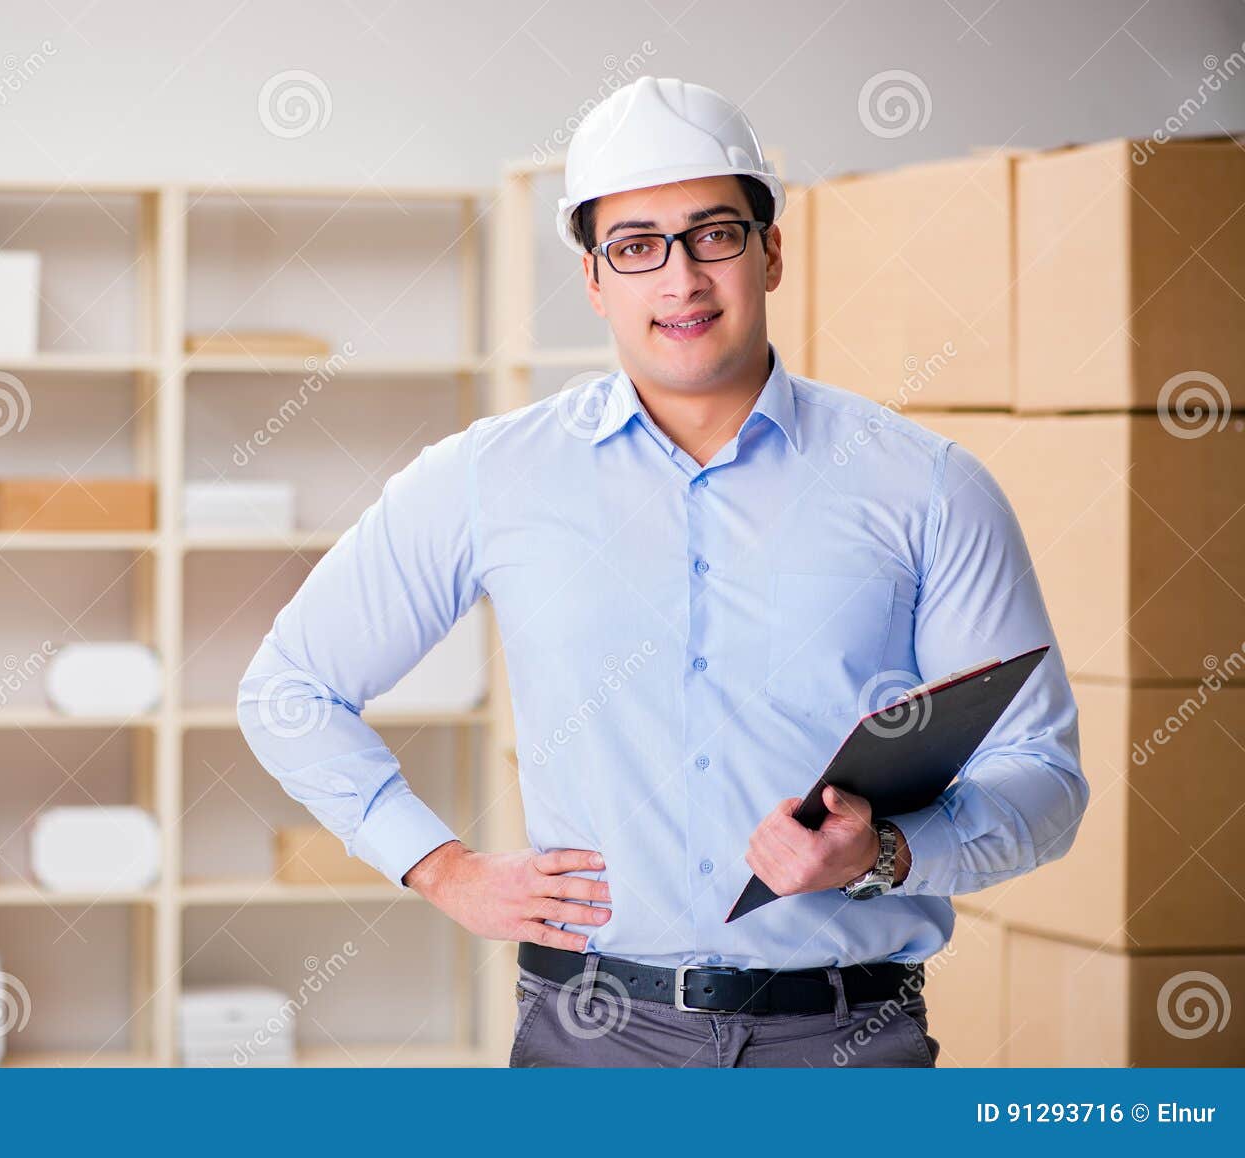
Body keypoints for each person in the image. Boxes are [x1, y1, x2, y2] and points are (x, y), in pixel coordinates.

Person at [238, 76, 1087, 1067]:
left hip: (845, 1045)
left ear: (771, 250)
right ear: (595, 280)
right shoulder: (491, 476)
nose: (679, 280)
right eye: (636, 247)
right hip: (588, 1039)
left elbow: (1043, 779)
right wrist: (437, 867)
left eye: (713, 234)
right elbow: (288, 690)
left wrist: (882, 853)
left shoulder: (927, 487)